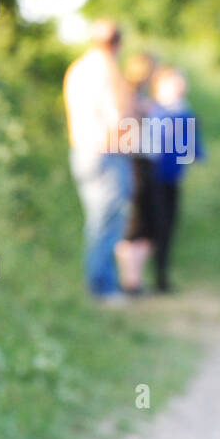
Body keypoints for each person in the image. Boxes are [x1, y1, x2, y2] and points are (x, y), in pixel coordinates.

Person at [63, 19, 131, 302]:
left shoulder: (77, 69)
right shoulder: (108, 71)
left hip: (81, 151)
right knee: (107, 221)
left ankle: (100, 283)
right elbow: (117, 117)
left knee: (96, 219)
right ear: (118, 43)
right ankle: (104, 288)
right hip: (106, 152)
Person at [142, 66, 204, 292]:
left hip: (172, 179)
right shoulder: (153, 110)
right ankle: (142, 278)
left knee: (167, 228)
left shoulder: (184, 112)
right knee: (151, 228)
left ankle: (161, 278)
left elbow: (193, 149)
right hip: (151, 177)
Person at [115, 53, 157, 294]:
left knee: (145, 223)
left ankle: (135, 279)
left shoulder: (142, 96)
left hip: (145, 161)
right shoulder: (126, 95)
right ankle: (129, 280)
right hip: (132, 161)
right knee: (132, 223)